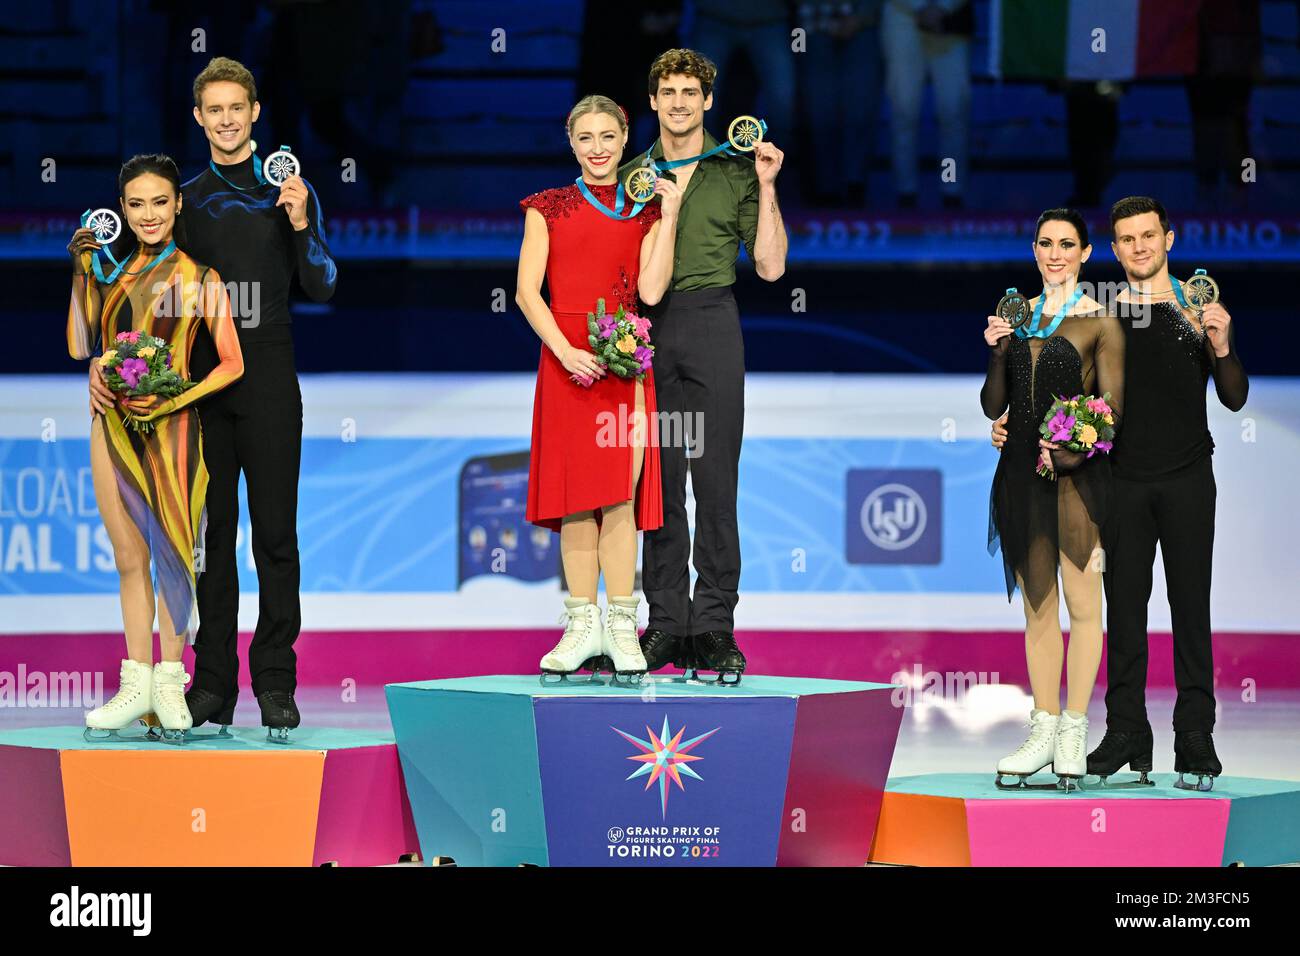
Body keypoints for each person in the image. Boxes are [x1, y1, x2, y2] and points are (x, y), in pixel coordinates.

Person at [88, 57, 337, 742]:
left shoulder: (288, 190)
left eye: (237, 107)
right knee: (209, 544)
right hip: (197, 394)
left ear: (254, 111)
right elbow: (147, 297)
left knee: (276, 538)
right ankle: (212, 687)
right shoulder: (186, 199)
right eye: (214, 110)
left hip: (269, 381)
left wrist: (300, 221)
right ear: (198, 118)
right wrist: (109, 366)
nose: (227, 119)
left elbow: (322, 284)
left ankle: (277, 684)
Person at [993, 197, 1248, 791]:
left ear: (1169, 239)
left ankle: (1195, 739)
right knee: (1125, 615)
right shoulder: (1102, 308)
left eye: (1148, 236)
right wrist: (1016, 427)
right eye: (1127, 239)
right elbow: (1066, 384)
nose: (1139, 247)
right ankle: (1127, 732)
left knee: (1190, 609)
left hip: (1187, 480)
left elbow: (1234, 397)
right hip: (1119, 482)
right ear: (1112, 250)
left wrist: (1225, 346)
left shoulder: (1195, 307)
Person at [620, 48, 788, 684]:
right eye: (669, 92)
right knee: (659, 485)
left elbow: (771, 267)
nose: (681, 102)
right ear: (654, 101)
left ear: (709, 101)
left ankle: (714, 624)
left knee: (715, 482)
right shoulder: (634, 176)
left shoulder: (739, 168)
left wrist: (768, 185)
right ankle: (666, 623)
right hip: (650, 334)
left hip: (715, 325)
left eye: (692, 92)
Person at [68, 154, 244, 741]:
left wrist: (172, 400)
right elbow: (77, 346)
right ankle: (136, 681)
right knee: (128, 556)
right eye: (136, 204)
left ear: (177, 205)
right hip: (110, 423)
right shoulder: (109, 272)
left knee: (172, 552)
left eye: (159, 202)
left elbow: (231, 363)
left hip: (173, 426)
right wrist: (79, 271)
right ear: (122, 209)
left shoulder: (201, 279)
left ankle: (171, 679)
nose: (148, 214)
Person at [516, 95, 681, 682]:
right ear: (570, 141)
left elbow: (654, 291)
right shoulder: (547, 207)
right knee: (574, 499)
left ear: (624, 138)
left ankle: (621, 626)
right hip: (567, 365)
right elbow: (527, 293)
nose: (597, 148)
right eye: (585, 137)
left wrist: (674, 211)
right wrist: (565, 352)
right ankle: (580, 626)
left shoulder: (644, 209)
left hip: (625, 365)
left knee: (618, 497)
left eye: (608, 137)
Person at [982, 208, 1125, 789]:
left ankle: (1072, 729)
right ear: (1034, 249)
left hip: (1078, 482)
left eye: (1067, 244)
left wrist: (1073, 444)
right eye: (1045, 242)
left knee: (1084, 605)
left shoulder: (1102, 322)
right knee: (1038, 607)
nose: (1055, 252)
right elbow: (995, 406)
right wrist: (996, 351)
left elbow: (1112, 413)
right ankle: (1041, 727)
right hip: (1019, 477)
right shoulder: (1016, 317)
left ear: (1087, 253)